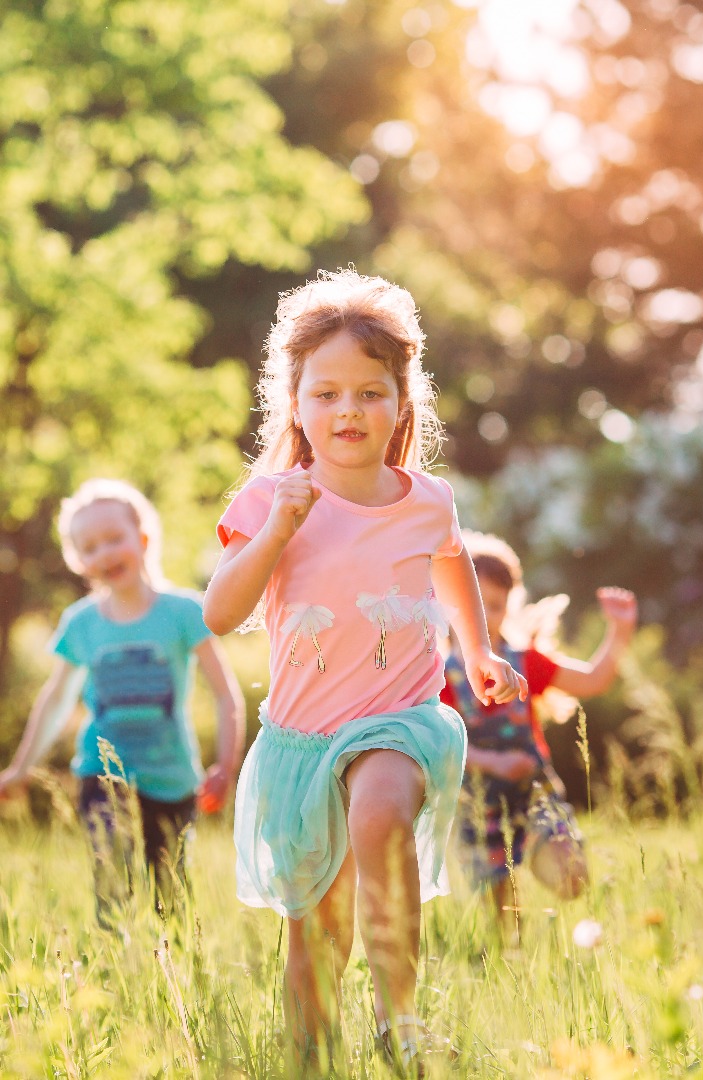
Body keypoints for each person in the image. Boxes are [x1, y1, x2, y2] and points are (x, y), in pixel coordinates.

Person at [202, 269, 526, 1071]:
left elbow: (450, 566)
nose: (349, 411)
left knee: (381, 810)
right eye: (328, 394)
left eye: (370, 393)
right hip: (304, 741)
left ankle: (401, 1020)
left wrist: (478, 649)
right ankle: (310, 1053)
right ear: (298, 404)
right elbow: (217, 611)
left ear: (402, 402)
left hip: (402, 719)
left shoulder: (428, 500)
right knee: (319, 931)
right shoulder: (274, 497)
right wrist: (277, 532)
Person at [0, 479, 244, 919]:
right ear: (79, 562)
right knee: (112, 873)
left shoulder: (184, 612)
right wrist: (20, 768)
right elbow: (54, 701)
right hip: (102, 772)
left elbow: (225, 694)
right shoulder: (82, 624)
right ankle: (116, 968)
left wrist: (226, 766)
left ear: (144, 539)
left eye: (115, 538)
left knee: (170, 896)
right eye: (90, 547)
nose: (105, 553)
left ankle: (170, 976)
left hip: (172, 778)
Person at [440, 531, 637, 927]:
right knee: (503, 914)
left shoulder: (525, 662)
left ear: (508, 607)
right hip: (478, 799)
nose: (482, 617)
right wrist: (494, 763)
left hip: (533, 791)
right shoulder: (439, 676)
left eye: (493, 606)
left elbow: (593, 680)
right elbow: (444, 745)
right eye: (472, 605)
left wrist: (619, 631)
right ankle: (513, 967)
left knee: (572, 878)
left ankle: (537, 852)